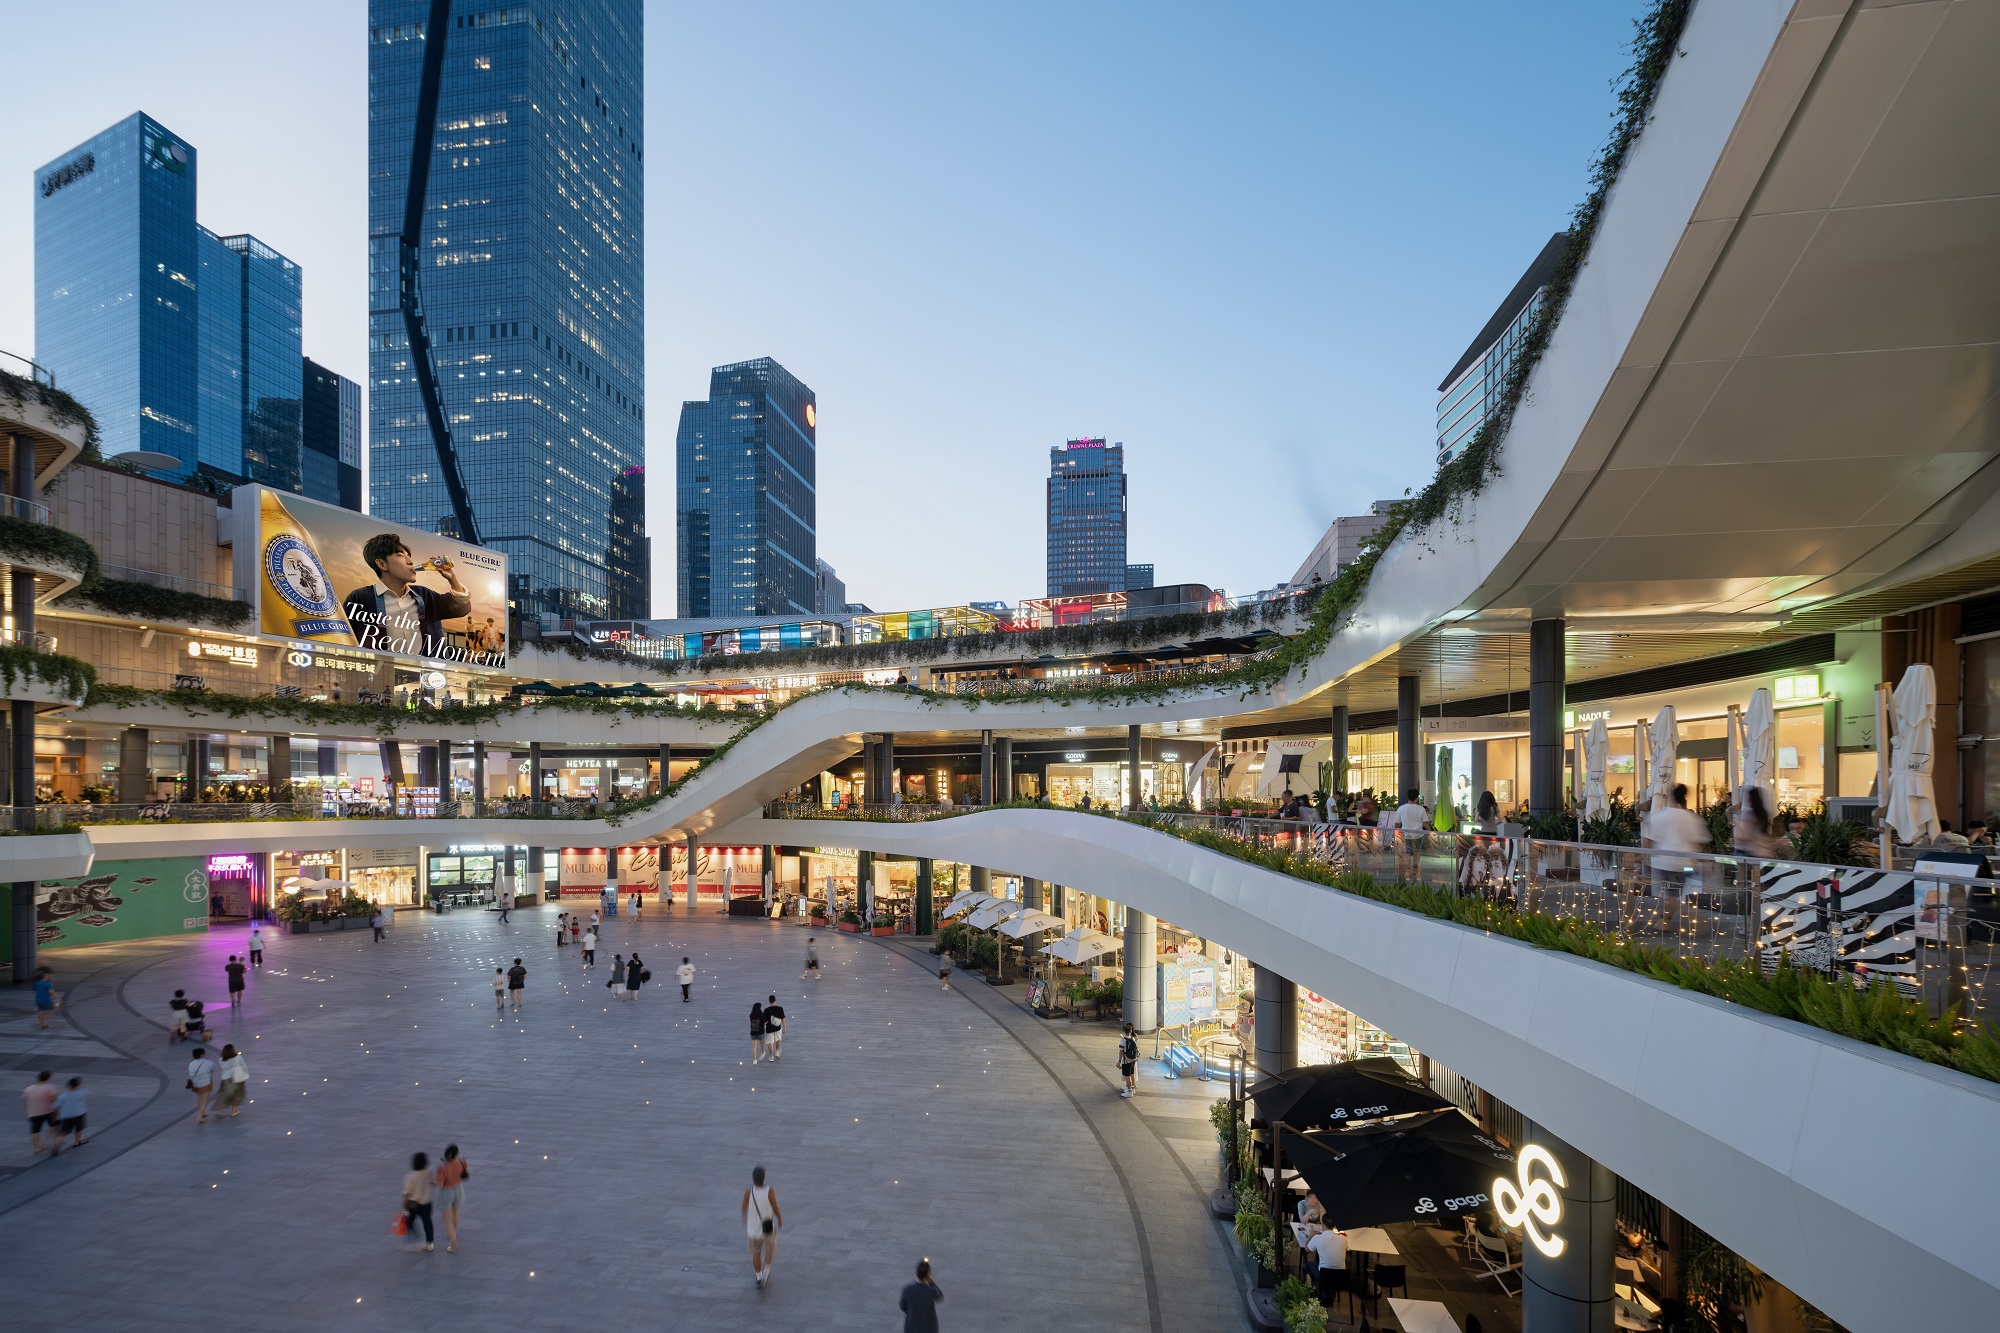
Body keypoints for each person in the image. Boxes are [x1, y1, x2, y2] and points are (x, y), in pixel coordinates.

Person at [341, 532, 471, 658]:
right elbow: (343, 640)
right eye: (400, 555)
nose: (410, 562)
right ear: (382, 564)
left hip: (427, 671)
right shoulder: (359, 598)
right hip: (382, 671)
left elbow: (460, 608)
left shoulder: (424, 595)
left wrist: (452, 578)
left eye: (409, 556)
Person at [1642, 783, 1710, 934]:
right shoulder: (1691, 818)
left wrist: (1645, 858)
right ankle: (1665, 920)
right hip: (1684, 862)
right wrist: (1702, 861)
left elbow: (1649, 840)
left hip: (1663, 862)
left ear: (1670, 798)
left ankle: (1683, 919)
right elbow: (1699, 842)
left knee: (1670, 895)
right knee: (1673, 894)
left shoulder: (1660, 816)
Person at [741, 1164, 781, 1289]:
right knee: (770, 1248)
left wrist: (746, 1219)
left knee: (757, 1252)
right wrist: (779, 1218)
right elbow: (775, 1208)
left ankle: (758, 1277)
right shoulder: (770, 1191)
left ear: (753, 1178)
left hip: (753, 1227)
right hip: (767, 1224)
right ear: (764, 1177)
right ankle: (766, 1272)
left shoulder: (749, 1192)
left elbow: (744, 1209)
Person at [433, 1143, 470, 1252]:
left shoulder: (441, 1168)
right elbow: (463, 1173)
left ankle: (454, 1244)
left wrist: (432, 1182)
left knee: (447, 1220)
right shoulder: (462, 1162)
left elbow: (440, 1185)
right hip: (458, 1189)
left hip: (446, 1193)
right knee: (455, 1213)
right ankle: (454, 1234)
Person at [402, 1151, 436, 1251]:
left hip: (414, 1203)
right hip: (427, 1201)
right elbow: (431, 1181)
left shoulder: (410, 1177)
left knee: (409, 1219)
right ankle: (430, 1242)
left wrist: (403, 1205)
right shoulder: (428, 1171)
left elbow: (407, 1194)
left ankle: (412, 1230)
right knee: (427, 1221)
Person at [1305, 1226, 1347, 1308]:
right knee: (1328, 1267)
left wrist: (1310, 1236)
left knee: (1309, 1264)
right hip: (1341, 1278)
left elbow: (1306, 1249)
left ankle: (1317, 1291)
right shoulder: (1344, 1239)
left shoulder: (1317, 1238)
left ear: (1323, 1225)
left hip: (1324, 1276)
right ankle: (1329, 1295)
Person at [1732, 787, 1779, 859]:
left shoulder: (1750, 815)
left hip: (1753, 852)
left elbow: (1744, 836)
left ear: (1750, 799)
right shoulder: (1764, 813)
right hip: (1766, 852)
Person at [900, 1257, 944, 1333]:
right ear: (928, 1275)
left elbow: (902, 1306)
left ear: (916, 1273)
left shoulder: (907, 1289)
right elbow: (940, 1296)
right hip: (929, 1328)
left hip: (911, 1327)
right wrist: (931, 1282)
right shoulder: (931, 1291)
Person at [23, 1070, 58, 1154]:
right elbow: (52, 1100)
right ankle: (49, 1141)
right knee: (56, 1125)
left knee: (35, 1131)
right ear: (48, 1078)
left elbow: (25, 1100)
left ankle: (37, 1148)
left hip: (34, 1113)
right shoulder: (50, 1087)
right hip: (48, 1111)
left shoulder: (29, 1088)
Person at [50, 1077, 87, 1156]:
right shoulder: (81, 1093)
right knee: (79, 1128)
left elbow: (55, 1107)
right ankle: (77, 1141)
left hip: (67, 1116)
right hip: (79, 1114)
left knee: (62, 1133)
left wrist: (54, 1117)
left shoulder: (63, 1096)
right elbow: (83, 1090)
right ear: (77, 1085)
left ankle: (56, 1148)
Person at [216, 1043, 249, 1118]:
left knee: (225, 1094)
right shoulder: (238, 1058)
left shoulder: (220, 1060)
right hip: (236, 1078)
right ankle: (233, 1111)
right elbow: (243, 1066)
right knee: (235, 1094)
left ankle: (222, 1109)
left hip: (225, 1079)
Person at [187, 1046, 218, 1123]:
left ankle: (203, 1112)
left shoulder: (191, 1064)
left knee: (199, 1098)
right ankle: (199, 1116)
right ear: (202, 1055)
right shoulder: (207, 1062)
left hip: (195, 1084)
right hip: (205, 1083)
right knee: (205, 1100)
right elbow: (214, 1068)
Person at [1116, 1023, 1139, 1098]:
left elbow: (1121, 1051)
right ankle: (1132, 1088)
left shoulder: (1123, 1040)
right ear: (1131, 1031)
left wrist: (1119, 1061)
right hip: (1133, 1060)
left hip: (1126, 1061)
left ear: (1124, 1031)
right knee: (1132, 1074)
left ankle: (1129, 1091)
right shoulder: (1133, 1038)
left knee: (1127, 1076)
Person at [764, 994, 786, 1060]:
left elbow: (765, 1021)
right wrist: (784, 1027)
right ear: (775, 1000)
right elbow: (783, 1018)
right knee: (778, 1039)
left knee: (770, 1042)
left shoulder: (766, 1010)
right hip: (778, 1027)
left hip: (769, 1028)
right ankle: (777, 1052)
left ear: (769, 1001)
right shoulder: (780, 1008)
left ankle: (771, 1057)